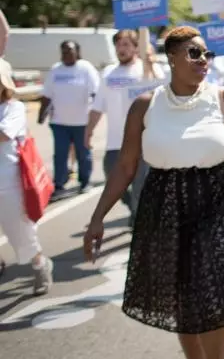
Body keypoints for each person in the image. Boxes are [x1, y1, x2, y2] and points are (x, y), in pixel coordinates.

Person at [83, 26, 224, 359]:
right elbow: (125, 166)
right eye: (193, 53)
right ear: (171, 58)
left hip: (218, 205)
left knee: (214, 298)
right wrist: (97, 219)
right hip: (165, 206)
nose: (203, 61)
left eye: (206, 54)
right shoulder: (145, 106)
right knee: (184, 299)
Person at [86, 30, 163, 225]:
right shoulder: (108, 73)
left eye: (127, 44)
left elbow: (162, 91)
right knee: (113, 181)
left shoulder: (145, 68)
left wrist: (151, 65)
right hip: (115, 142)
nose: (122, 49)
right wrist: (88, 131)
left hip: (142, 141)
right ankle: (134, 208)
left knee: (139, 185)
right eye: (119, 45)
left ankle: (138, 220)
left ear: (136, 48)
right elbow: (97, 106)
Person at [0, 64, 54, 295]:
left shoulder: (14, 108)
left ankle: (40, 264)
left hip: (8, 181)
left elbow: (3, 134)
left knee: (20, 231)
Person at [39, 40, 99, 195]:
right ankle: (59, 184)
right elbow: (47, 95)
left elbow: (95, 92)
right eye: (64, 51)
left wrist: (95, 114)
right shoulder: (55, 70)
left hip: (81, 122)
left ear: (77, 52)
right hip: (59, 122)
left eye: (70, 51)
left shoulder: (85, 68)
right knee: (60, 154)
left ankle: (85, 181)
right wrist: (41, 115)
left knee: (83, 153)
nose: (66, 54)